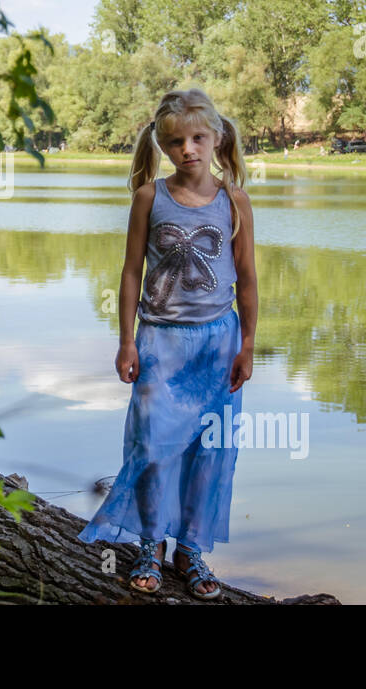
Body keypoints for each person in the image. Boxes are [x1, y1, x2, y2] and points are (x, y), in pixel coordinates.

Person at [77, 88, 258, 599]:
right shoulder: (149, 198)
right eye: (176, 142)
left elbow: (246, 280)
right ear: (163, 146)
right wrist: (126, 342)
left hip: (218, 345)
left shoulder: (234, 200)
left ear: (216, 137)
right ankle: (149, 545)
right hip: (160, 342)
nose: (188, 150)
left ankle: (191, 551)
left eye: (198, 138)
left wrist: (247, 345)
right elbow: (131, 272)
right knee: (154, 447)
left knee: (209, 449)